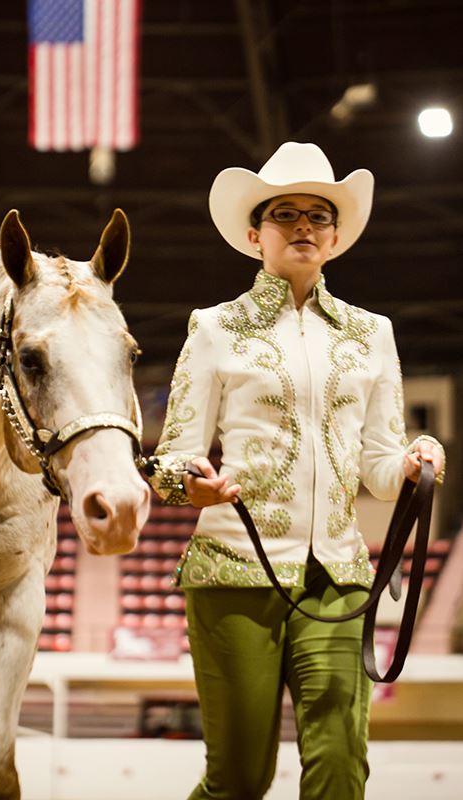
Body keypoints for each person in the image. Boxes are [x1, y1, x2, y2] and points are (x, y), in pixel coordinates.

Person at [149, 141, 445, 800]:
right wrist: (187, 483)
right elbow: (171, 459)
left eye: (318, 214)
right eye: (286, 213)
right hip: (233, 571)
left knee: (341, 766)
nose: (304, 225)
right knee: (240, 779)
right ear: (255, 234)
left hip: (338, 577)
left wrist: (418, 459)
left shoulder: (373, 334)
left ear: (336, 237)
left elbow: (378, 466)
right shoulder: (215, 327)